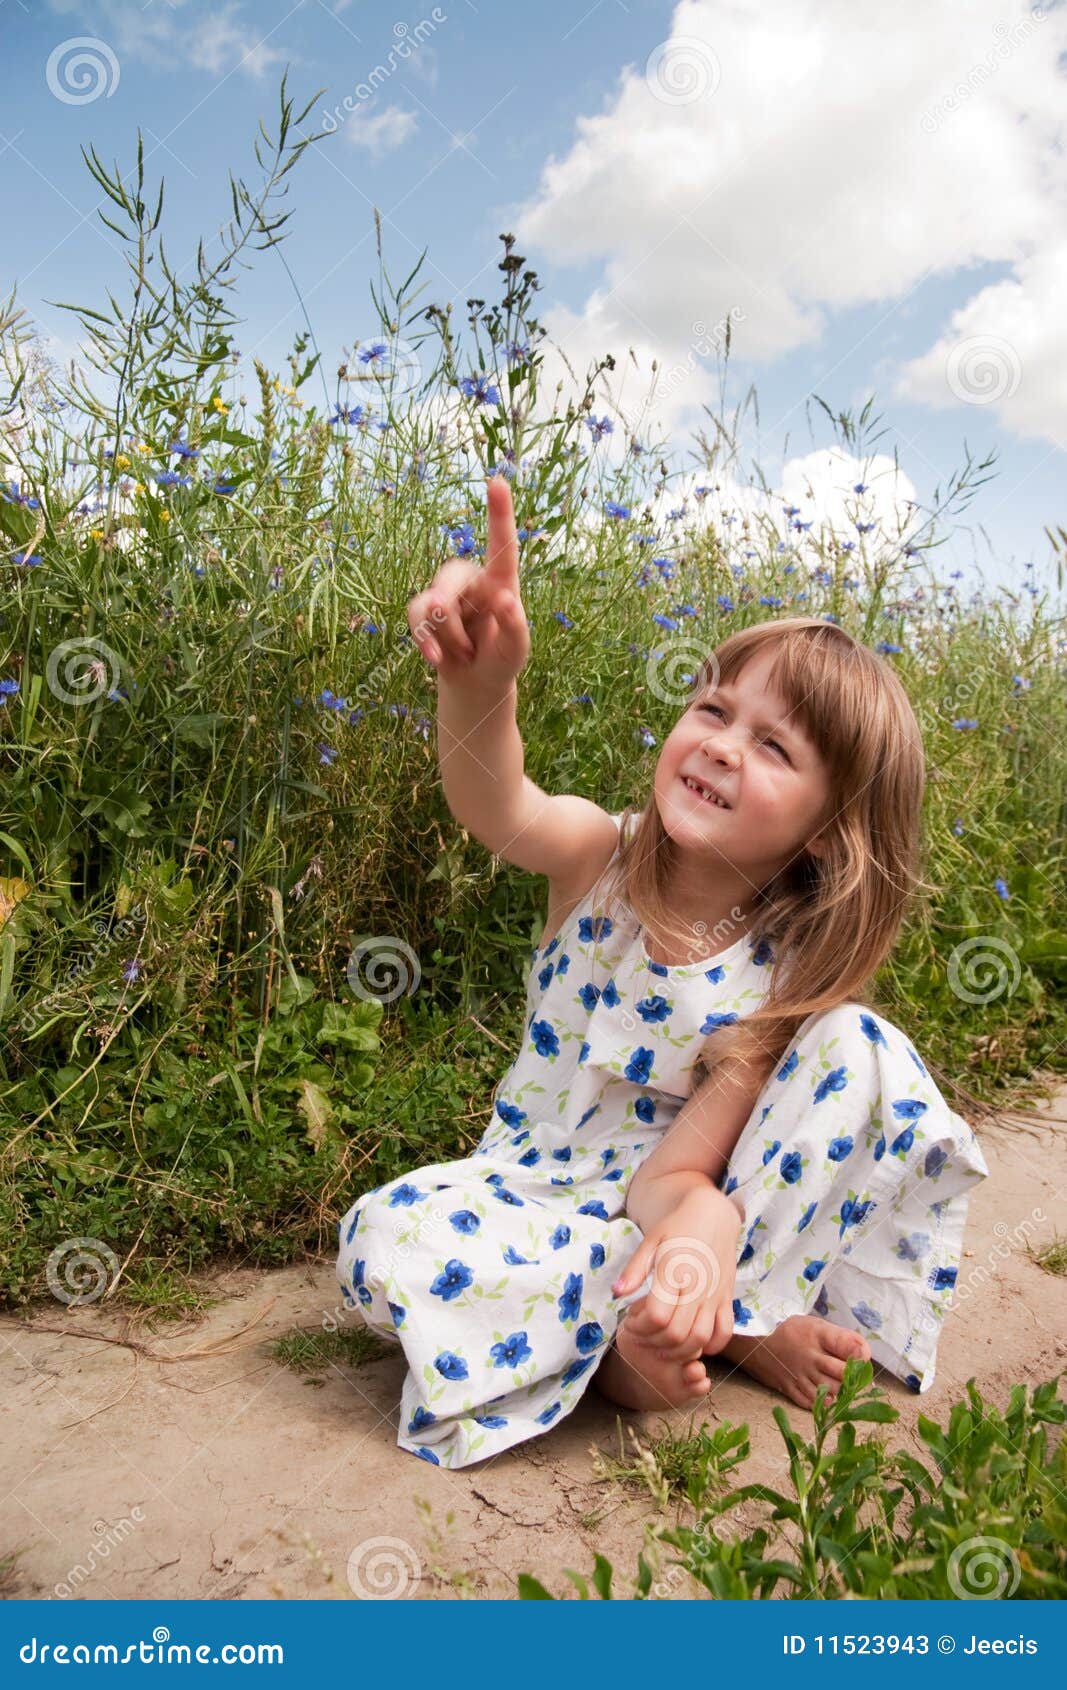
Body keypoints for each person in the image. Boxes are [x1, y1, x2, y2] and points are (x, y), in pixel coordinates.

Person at [334, 475, 989, 1469]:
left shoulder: (780, 987)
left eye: (772, 746)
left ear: (826, 830)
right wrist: (480, 689)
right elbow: (495, 802)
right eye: (712, 708)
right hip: (535, 1201)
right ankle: (677, 1335)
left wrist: (694, 1238)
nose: (721, 746)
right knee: (382, 1234)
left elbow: (678, 1177)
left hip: (680, 1209)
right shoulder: (596, 858)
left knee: (856, 1045)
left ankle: (711, 1313)